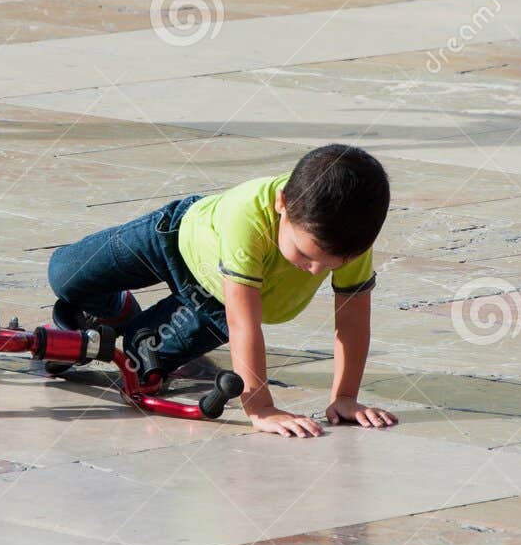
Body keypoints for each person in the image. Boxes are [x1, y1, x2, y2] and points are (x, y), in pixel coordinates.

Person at [47, 144, 397, 437]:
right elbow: (245, 324)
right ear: (281, 204)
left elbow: (351, 321)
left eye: (331, 263)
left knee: (140, 364)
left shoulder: (349, 241)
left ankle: (130, 325)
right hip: (173, 242)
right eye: (306, 254)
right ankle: (115, 310)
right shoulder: (248, 214)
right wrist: (259, 406)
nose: (317, 270)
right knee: (64, 275)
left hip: (212, 304)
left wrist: (346, 396)